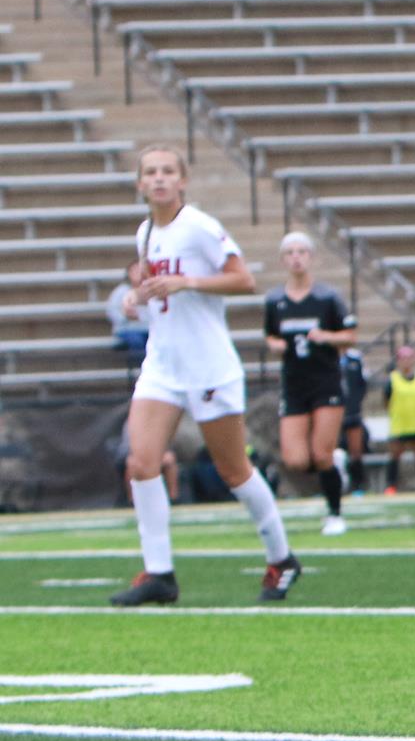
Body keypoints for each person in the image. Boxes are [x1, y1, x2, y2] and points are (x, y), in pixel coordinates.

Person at [112, 145, 302, 606]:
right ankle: (160, 573)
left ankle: (282, 558)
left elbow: (243, 280)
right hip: (163, 364)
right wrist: (138, 298)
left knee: (234, 469)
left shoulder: (198, 226)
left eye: (167, 171)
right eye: (150, 172)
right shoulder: (145, 232)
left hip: (208, 365)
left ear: (183, 180)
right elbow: (161, 290)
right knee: (141, 462)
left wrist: (187, 282)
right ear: (139, 184)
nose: (158, 179)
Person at [263, 230, 358, 534]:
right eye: (290, 252)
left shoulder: (327, 297)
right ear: (282, 260)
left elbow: (350, 336)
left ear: (311, 257)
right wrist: (274, 345)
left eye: (301, 252)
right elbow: (270, 334)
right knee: (295, 459)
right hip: (294, 383)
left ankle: (334, 514)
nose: (296, 257)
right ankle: (334, 463)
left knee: (320, 453)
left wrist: (327, 337)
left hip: (325, 381)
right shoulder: (275, 299)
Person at [382, 345, 415, 495]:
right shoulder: (392, 379)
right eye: (403, 358)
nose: (406, 362)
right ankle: (391, 485)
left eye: (409, 358)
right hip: (399, 425)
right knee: (395, 456)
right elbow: (386, 401)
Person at [337, 346, 368, 496]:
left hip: (352, 411)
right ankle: (333, 486)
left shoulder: (355, 359)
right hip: (332, 410)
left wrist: (355, 403)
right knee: (329, 452)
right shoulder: (326, 357)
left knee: (356, 450)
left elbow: (362, 385)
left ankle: (358, 485)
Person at [108, 259, 150, 365]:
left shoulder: (151, 290)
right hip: (127, 328)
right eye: (133, 271)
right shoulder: (121, 291)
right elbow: (112, 310)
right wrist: (125, 316)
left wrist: (142, 318)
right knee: (137, 341)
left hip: (148, 328)